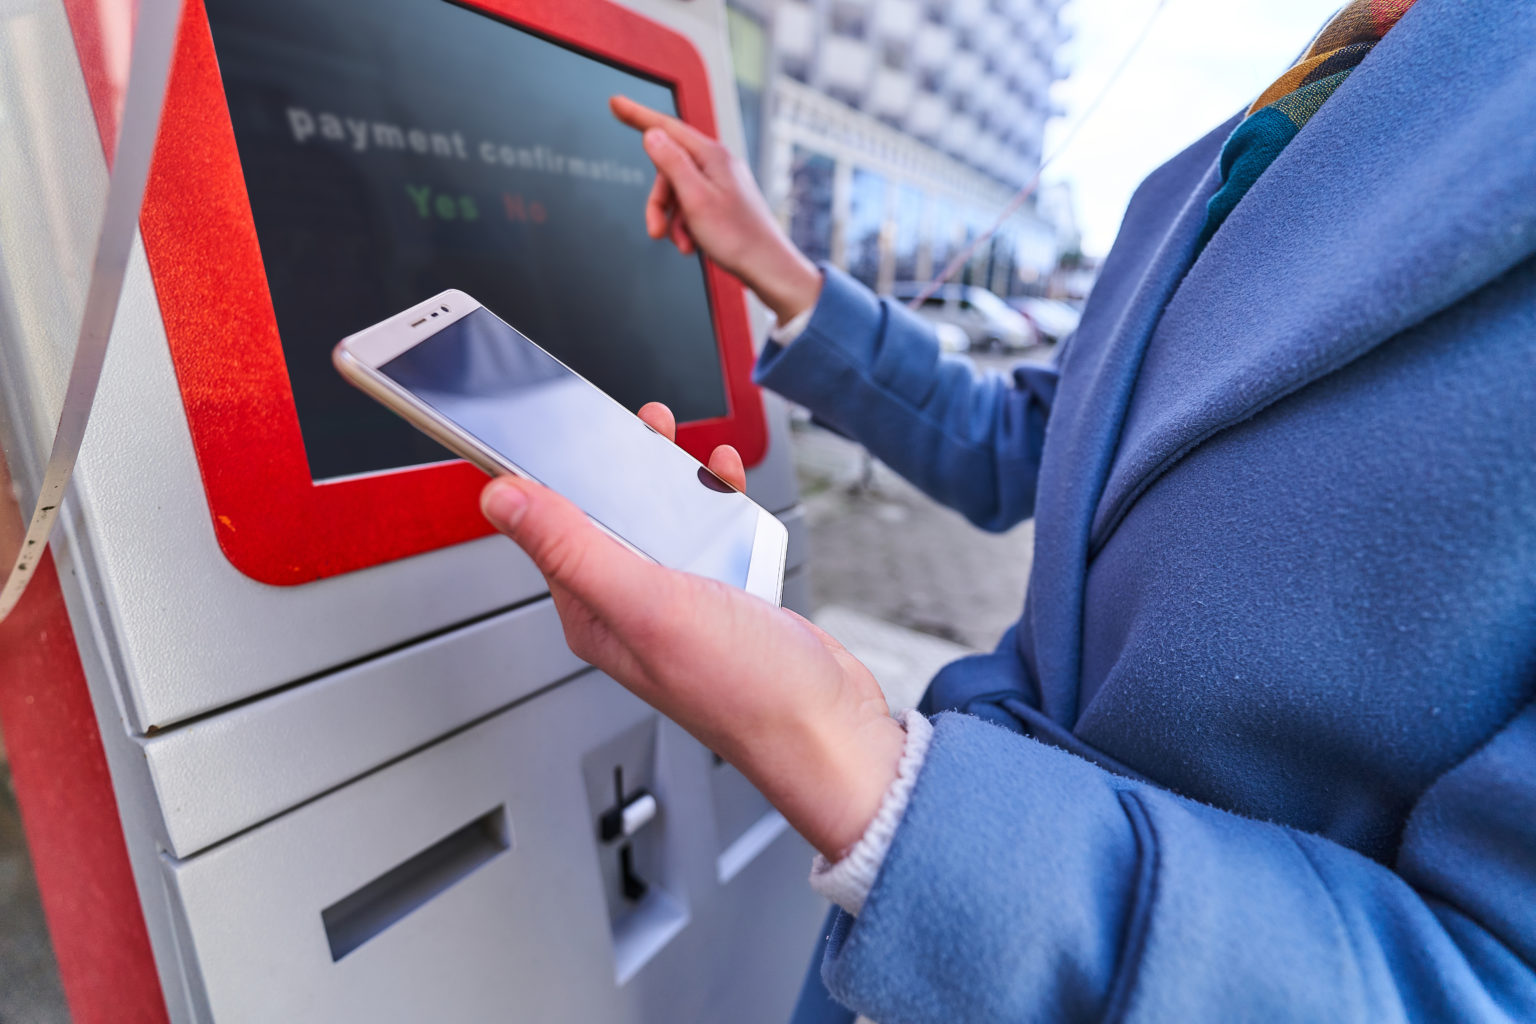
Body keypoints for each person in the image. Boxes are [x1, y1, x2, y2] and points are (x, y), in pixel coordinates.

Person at [480, 2, 1536, 1020]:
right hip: (905, 940)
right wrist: (779, 269)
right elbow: (1030, 446)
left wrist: (879, 781)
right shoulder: (1262, 124)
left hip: (995, 899)